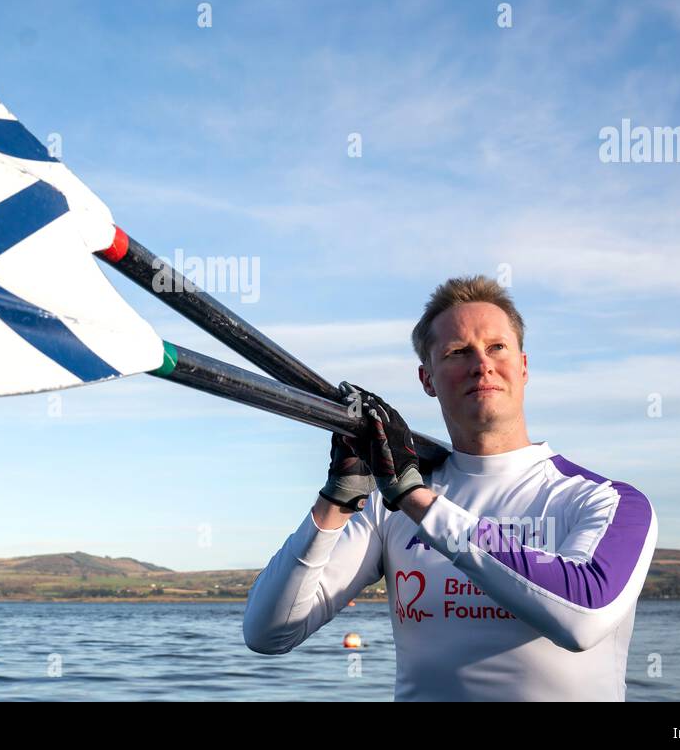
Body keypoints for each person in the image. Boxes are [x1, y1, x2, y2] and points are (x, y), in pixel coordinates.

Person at [242, 275, 658, 700]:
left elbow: (583, 617)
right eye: (458, 352)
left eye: (497, 347)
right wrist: (337, 499)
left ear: (524, 366)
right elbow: (267, 633)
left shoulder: (606, 500)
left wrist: (417, 500)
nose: (482, 364)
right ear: (427, 379)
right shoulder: (390, 506)